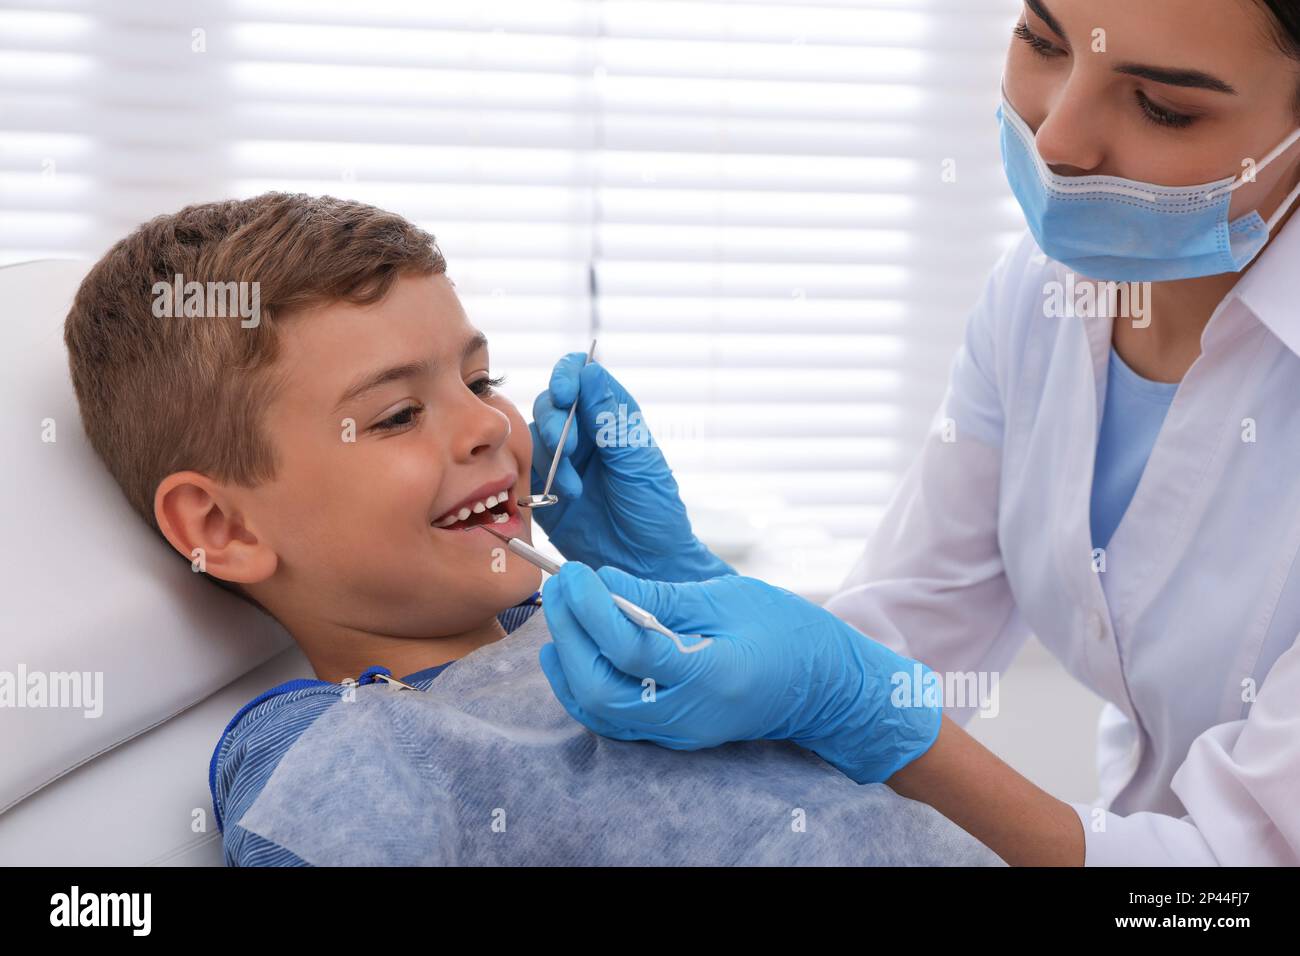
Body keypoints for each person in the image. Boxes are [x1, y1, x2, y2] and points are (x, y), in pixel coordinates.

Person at [531, 0, 1300, 866]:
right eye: (1041, 41)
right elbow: (906, 642)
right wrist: (698, 599)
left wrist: (856, 706)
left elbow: (1224, 888)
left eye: (1163, 105)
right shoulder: (1041, 298)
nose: (1057, 143)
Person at [63, 192, 1001, 866]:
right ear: (221, 526)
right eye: (395, 415)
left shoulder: (630, 641)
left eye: (479, 381)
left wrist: (703, 588)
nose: (486, 427)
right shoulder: (349, 752)